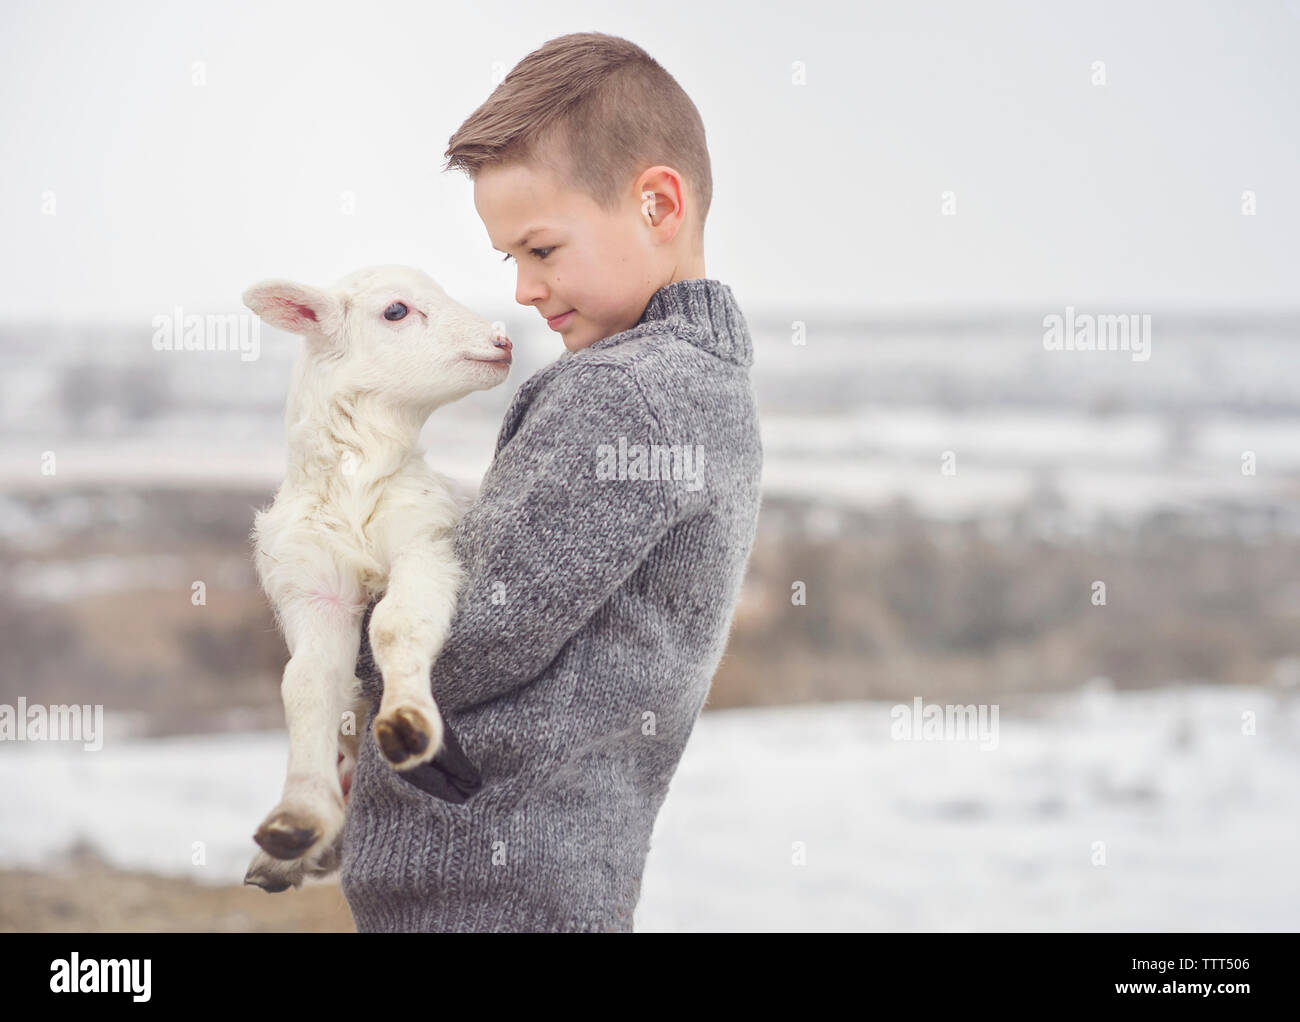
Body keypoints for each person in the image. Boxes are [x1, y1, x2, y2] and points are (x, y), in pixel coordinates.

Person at [340, 30, 763, 932]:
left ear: (658, 204)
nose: (525, 290)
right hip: (560, 878)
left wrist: (349, 658)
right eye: (509, 260)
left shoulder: (623, 398)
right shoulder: (706, 386)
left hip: (479, 888)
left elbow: (468, 635)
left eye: (541, 249)